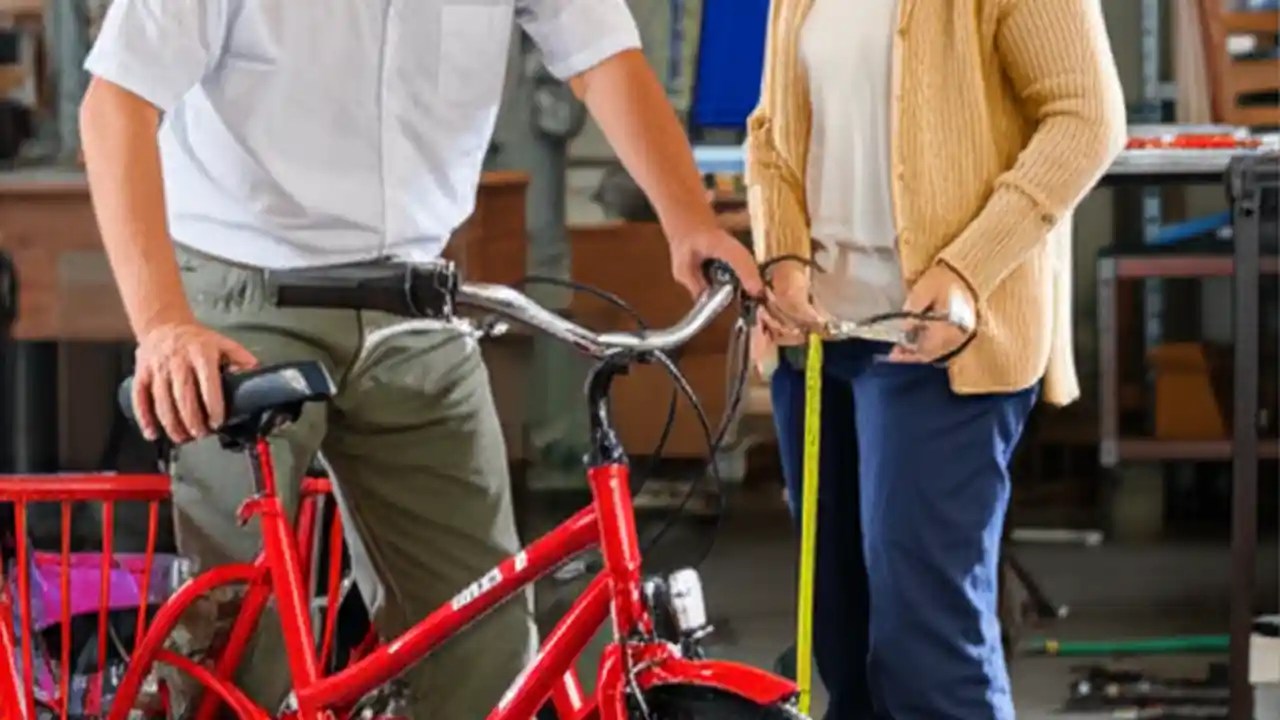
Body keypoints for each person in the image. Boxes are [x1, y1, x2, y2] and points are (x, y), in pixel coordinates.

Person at [79, 1, 763, 716]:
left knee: (487, 650)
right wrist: (163, 323)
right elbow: (115, 103)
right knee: (239, 643)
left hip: (413, 295)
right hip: (243, 293)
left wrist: (689, 222)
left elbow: (601, 57)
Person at [745, 0, 1125, 718]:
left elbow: (1087, 119)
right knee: (840, 640)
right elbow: (770, 132)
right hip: (821, 343)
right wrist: (784, 253)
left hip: (944, 346)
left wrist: (967, 268)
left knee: (925, 645)